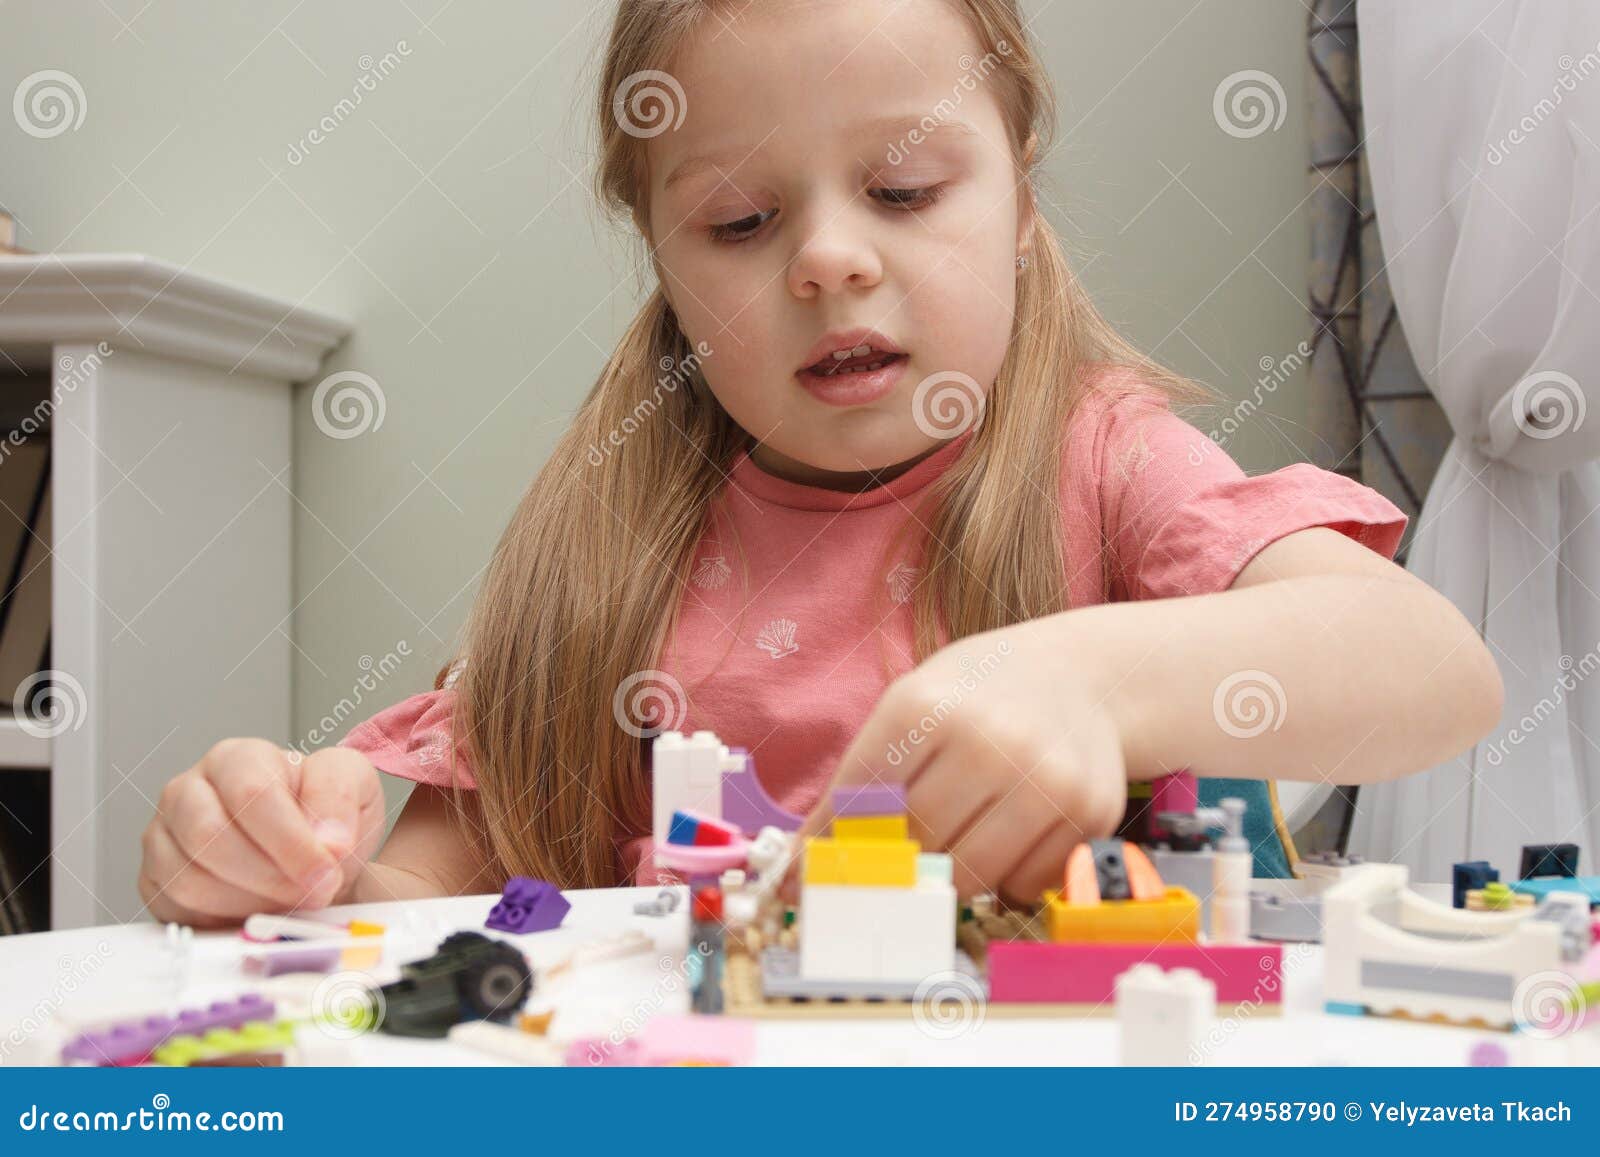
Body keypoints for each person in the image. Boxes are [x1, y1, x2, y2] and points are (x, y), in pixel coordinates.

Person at [138, 0, 1502, 927]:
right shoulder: (605, 550)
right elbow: (439, 909)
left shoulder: (1106, 462)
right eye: (738, 221)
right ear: (663, 262)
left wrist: (1076, 675)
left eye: (906, 193)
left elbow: (1437, 670)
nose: (830, 259)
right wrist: (285, 875)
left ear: (1021, 199)